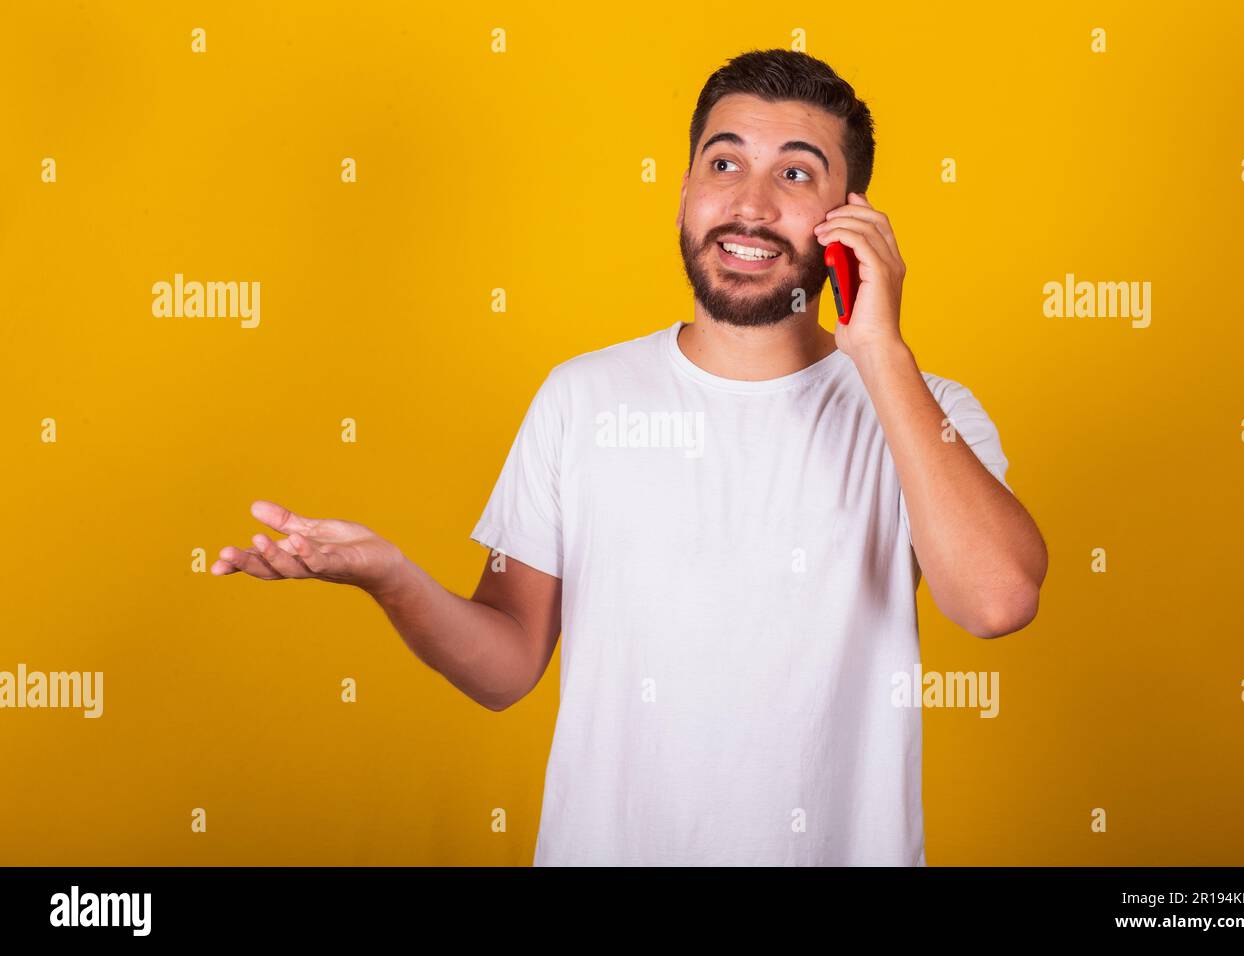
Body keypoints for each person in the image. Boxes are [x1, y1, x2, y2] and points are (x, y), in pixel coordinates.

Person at [213, 48, 1048, 866]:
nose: (750, 205)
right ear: (686, 191)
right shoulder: (581, 399)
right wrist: (391, 577)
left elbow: (997, 599)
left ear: (850, 218)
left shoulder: (923, 410)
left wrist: (882, 352)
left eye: (796, 175)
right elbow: (505, 668)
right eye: (724, 164)